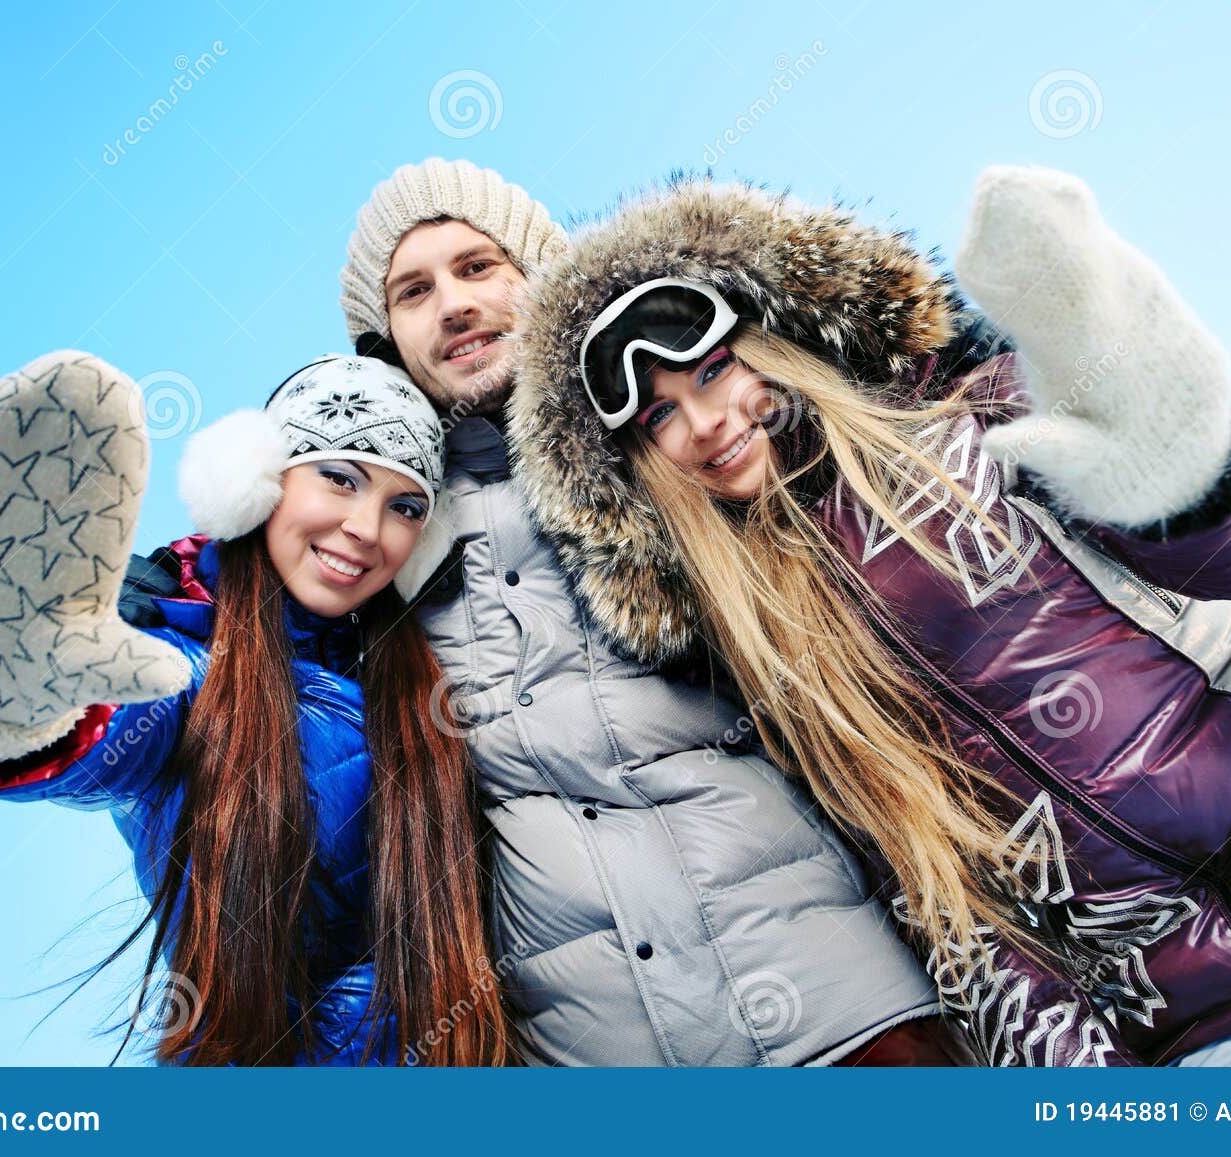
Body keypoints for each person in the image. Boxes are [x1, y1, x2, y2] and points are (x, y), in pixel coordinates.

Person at [509, 163, 1231, 1066]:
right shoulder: (754, 658)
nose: (705, 420)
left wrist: (1175, 448)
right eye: (660, 416)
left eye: (714, 369)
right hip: (1210, 1019)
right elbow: (938, 898)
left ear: (777, 338)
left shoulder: (973, 418)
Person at [324, 158, 959, 1065]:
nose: (455, 305)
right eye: (413, 291)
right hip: (600, 1048)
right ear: (384, 342)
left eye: (478, 266)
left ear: (543, 278)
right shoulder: (378, 543)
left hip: (841, 1006)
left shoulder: (666, 433)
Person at [0, 351, 508, 1066]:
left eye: (406, 507)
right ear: (259, 484)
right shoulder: (189, 675)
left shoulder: (427, 681)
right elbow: (90, 727)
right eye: (340, 477)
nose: (367, 527)